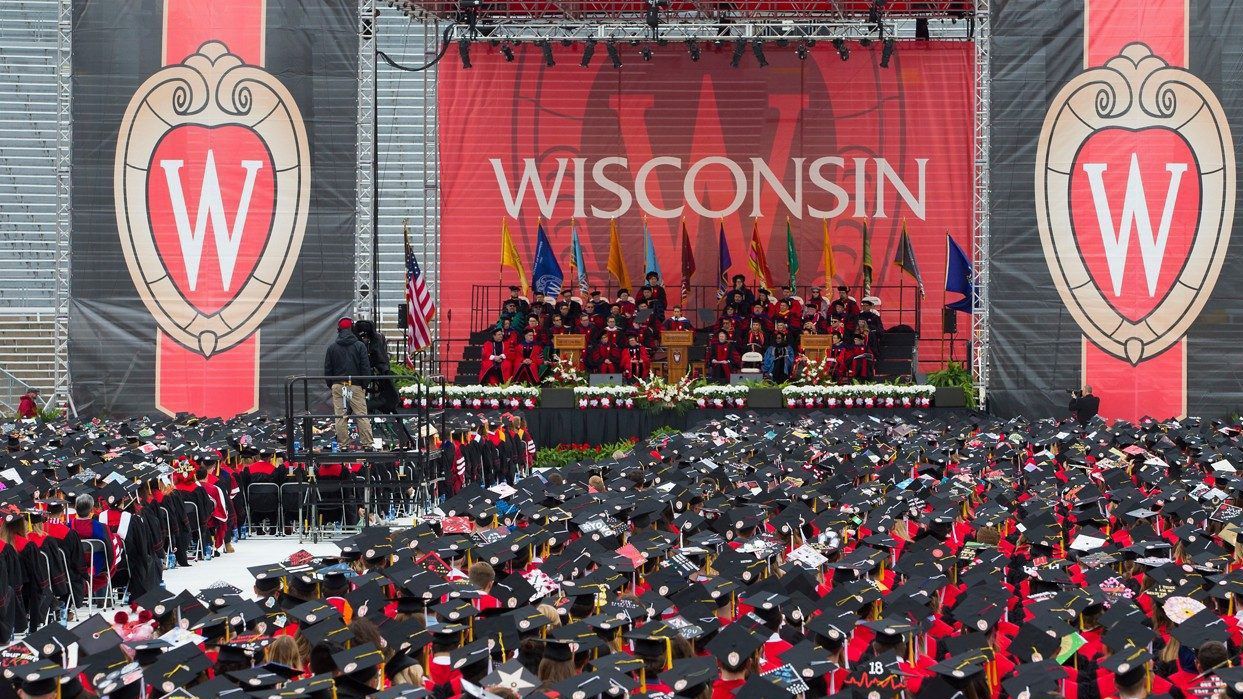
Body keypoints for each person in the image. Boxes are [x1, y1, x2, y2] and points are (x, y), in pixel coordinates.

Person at [323, 317, 373, 450]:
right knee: (362, 415)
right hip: (355, 385)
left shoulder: (332, 347)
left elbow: (328, 369)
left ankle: (343, 445)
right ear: (352, 329)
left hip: (338, 385)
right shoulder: (360, 346)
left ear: (339, 330)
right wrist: (364, 385)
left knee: (340, 416)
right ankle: (367, 444)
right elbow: (365, 368)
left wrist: (332, 385)